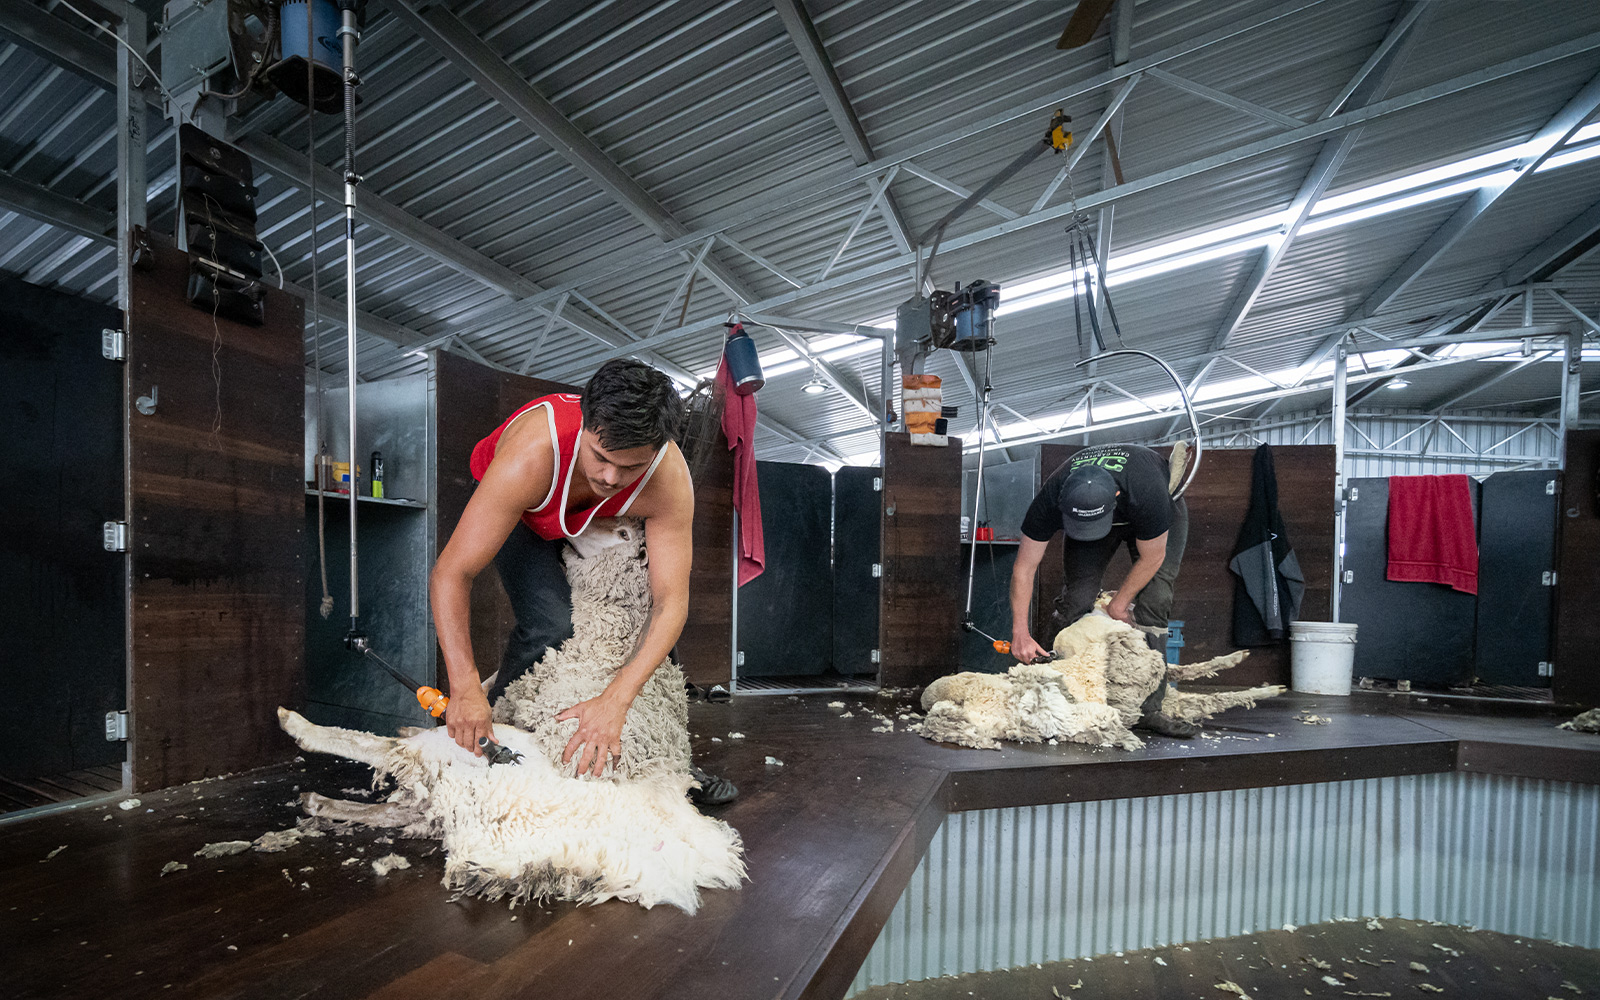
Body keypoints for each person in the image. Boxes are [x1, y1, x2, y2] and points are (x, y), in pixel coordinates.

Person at [429, 358, 737, 802]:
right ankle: (493, 731)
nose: (610, 477)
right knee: (551, 625)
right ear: (587, 426)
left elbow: (671, 602)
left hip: (593, 514)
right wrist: (462, 687)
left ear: (657, 450)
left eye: (629, 467)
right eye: (601, 457)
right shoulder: (533, 454)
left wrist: (617, 699)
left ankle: (669, 759)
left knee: (642, 618)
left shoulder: (667, 479)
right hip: (527, 504)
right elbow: (451, 573)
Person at [1008, 443, 1198, 738]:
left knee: (1156, 600)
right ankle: (1042, 682)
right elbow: (1024, 568)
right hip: (1104, 506)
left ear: (1117, 497)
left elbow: (1153, 557)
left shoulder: (1147, 491)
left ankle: (1149, 710)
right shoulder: (1050, 496)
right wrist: (1019, 631)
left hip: (1155, 509)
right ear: (1063, 503)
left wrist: (1119, 605)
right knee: (1077, 599)